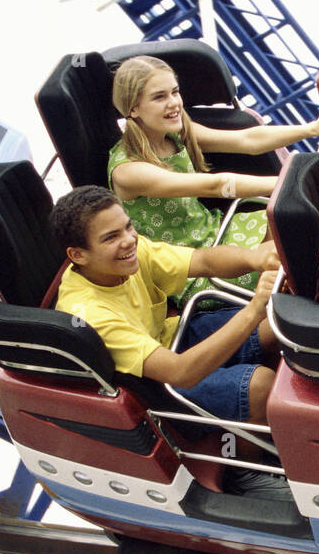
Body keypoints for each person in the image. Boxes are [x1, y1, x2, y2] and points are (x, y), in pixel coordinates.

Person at [50, 185, 288, 498]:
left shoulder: (130, 250)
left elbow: (203, 261)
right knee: (259, 387)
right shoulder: (90, 313)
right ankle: (245, 473)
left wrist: (255, 258)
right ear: (77, 255)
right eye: (110, 237)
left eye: (128, 227)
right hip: (159, 385)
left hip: (173, 336)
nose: (128, 240)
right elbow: (180, 373)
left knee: (275, 323)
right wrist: (255, 307)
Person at [108, 55, 319, 302]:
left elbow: (247, 141)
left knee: (299, 221)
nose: (173, 103)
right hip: (194, 268)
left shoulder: (175, 134)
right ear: (132, 108)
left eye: (175, 92)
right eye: (159, 97)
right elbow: (216, 185)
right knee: (295, 246)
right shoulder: (127, 170)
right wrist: (291, 182)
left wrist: (312, 129)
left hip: (218, 230)